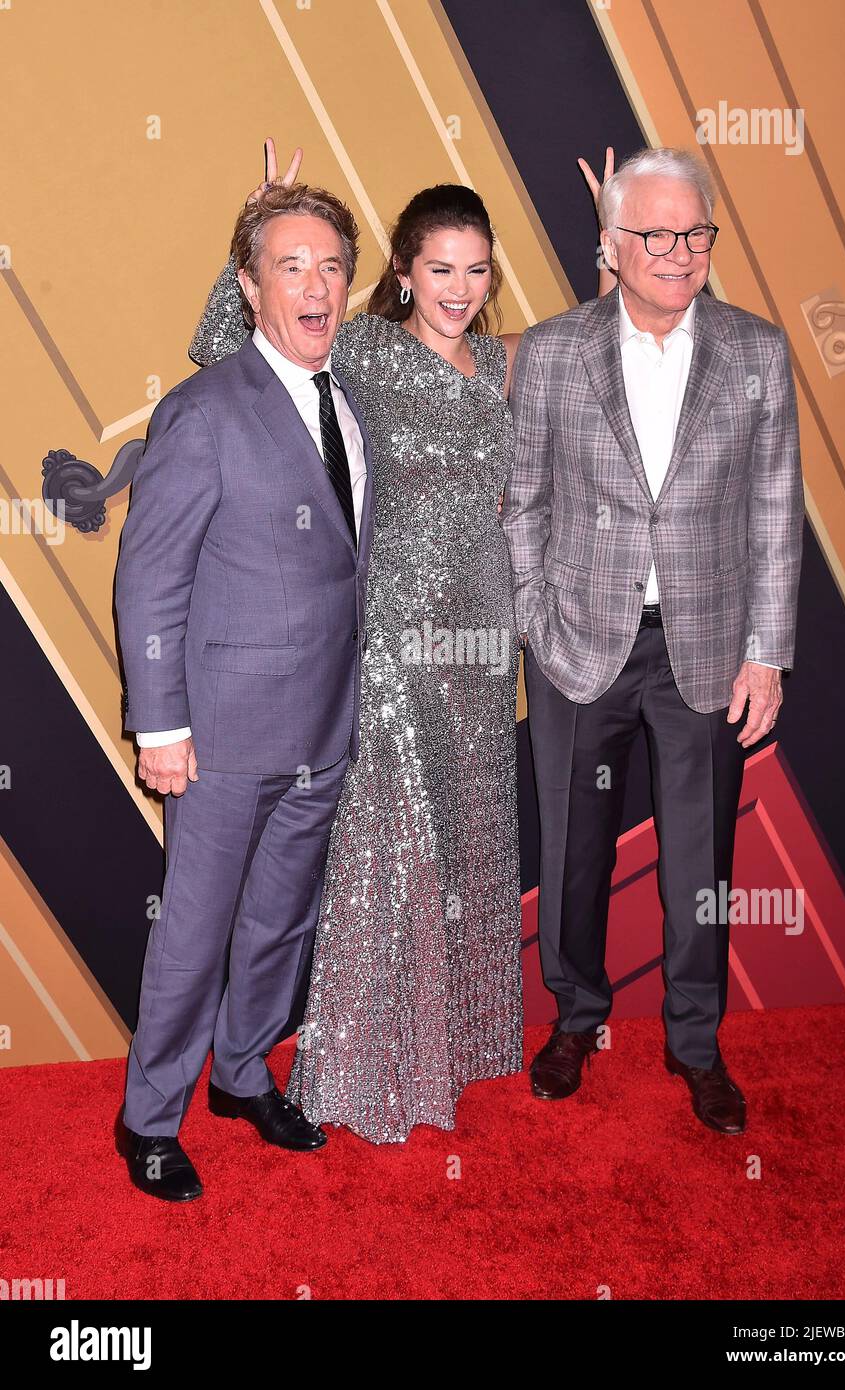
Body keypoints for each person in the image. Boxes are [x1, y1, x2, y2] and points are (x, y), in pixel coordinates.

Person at [190, 142, 524, 1143]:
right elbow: (222, 348)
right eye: (437, 268)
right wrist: (258, 224)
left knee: (464, 850)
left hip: (478, 638)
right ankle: (372, 1070)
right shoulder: (364, 349)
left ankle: (448, 1051)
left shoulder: (504, 361)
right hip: (388, 642)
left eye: (474, 269)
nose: (457, 289)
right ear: (402, 272)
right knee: (392, 852)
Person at [501, 146, 803, 1135]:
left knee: (698, 867)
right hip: (577, 647)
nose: (677, 252)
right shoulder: (550, 352)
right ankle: (574, 1019)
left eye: (694, 233)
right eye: (653, 235)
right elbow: (522, 503)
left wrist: (767, 652)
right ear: (610, 245)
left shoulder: (756, 351)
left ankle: (694, 1043)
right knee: (572, 850)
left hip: (705, 652)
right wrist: (534, 620)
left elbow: (772, 514)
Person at [115, 183, 374, 1199]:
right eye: (291, 265)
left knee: (279, 921)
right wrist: (161, 723)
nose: (315, 285)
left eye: (332, 266)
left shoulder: (345, 398)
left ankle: (241, 1072)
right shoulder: (205, 408)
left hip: (323, 726)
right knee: (194, 931)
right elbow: (149, 575)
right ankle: (148, 1118)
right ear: (249, 286)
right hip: (219, 732)